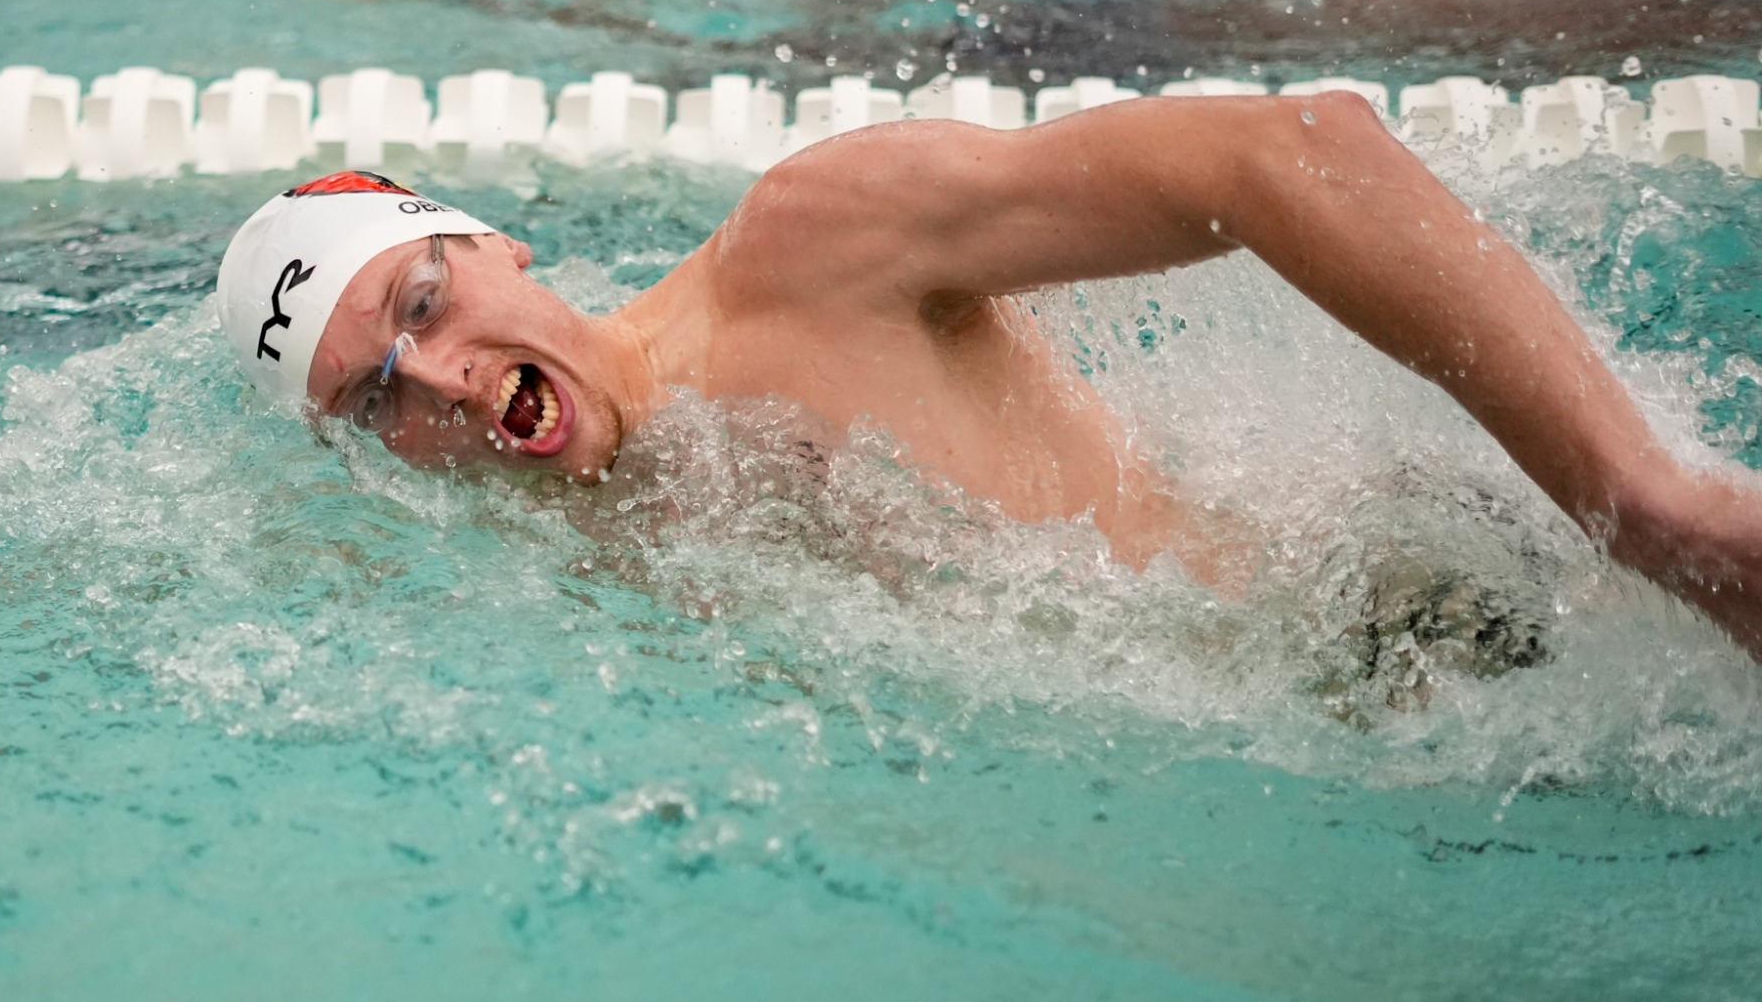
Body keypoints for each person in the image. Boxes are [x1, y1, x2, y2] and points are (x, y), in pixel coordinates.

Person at [216, 93, 1762, 658]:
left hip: (1425, 628)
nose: (439, 379)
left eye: (426, 301)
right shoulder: (549, 577)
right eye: (374, 397)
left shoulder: (809, 248)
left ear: (497, 244)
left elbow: (1291, 152)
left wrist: (1642, 497)